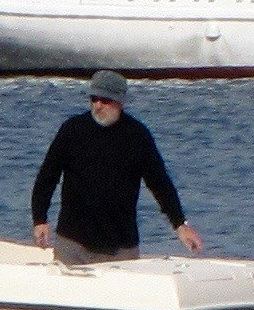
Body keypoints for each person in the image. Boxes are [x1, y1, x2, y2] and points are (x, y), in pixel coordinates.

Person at [30, 72, 201, 266]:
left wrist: (180, 224)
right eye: (94, 99)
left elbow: (160, 183)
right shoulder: (72, 130)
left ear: (120, 102)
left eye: (105, 100)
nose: (98, 105)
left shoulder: (137, 136)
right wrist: (40, 219)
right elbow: (47, 177)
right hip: (72, 244)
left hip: (121, 248)